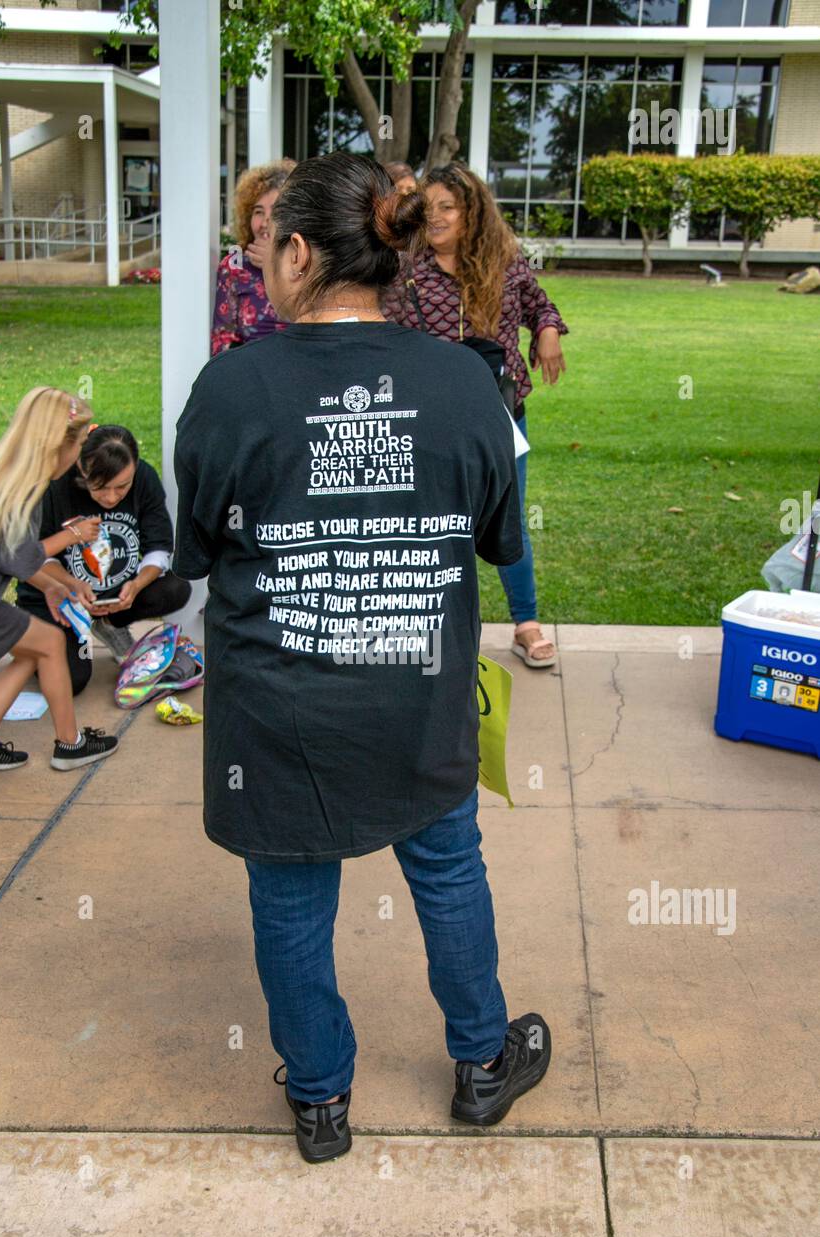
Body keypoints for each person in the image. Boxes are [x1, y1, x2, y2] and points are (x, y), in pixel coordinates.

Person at [172, 150, 552, 1166]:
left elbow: (198, 551)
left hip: (275, 712)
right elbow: (498, 540)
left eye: (263, 244)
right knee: (446, 869)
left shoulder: (229, 387)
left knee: (291, 897)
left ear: (297, 252)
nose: (255, 259)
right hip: (419, 701)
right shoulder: (467, 379)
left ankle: (319, 1099)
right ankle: (481, 1065)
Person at [381, 161, 568, 670]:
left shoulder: (505, 261)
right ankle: (435, 628)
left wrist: (547, 331)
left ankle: (526, 624)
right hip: (433, 423)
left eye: (449, 207)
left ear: (472, 213)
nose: (437, 217)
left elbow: (541, 306)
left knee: (510, 520)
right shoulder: (405, 272)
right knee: (435, 526)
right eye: (431, 207)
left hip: (502, 415)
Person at [0, 388, 118, 775]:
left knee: (33, 652)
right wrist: (74, 535)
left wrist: (50, 586)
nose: (78, 455)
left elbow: (0, 553)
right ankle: (70, 745)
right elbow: (20, 556)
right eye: (78, 444)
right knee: (51, 642)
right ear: (54, 446)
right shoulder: (25, 489)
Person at [16, 424, 191, 688]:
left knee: (176, 588)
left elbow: (159, 547)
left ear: (135, 468)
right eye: (99, 487)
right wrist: (70, 584)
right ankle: (33, 643)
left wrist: (136, 585)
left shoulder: (144, 477)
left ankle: (109, 623)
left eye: (122, 487)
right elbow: (33, 557)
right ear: (81, 468)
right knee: (73, 682)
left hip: (111, 594)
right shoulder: (55, 483)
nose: (111, 497)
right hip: (57, 597)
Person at [211, 159, 296, 355]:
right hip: (252, 371)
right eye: (258, 212)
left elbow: (319, 324)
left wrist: (277, 263)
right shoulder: (234, 266)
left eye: (275, 211)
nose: (266, 222)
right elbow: (222, 340)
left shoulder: (308, 263)